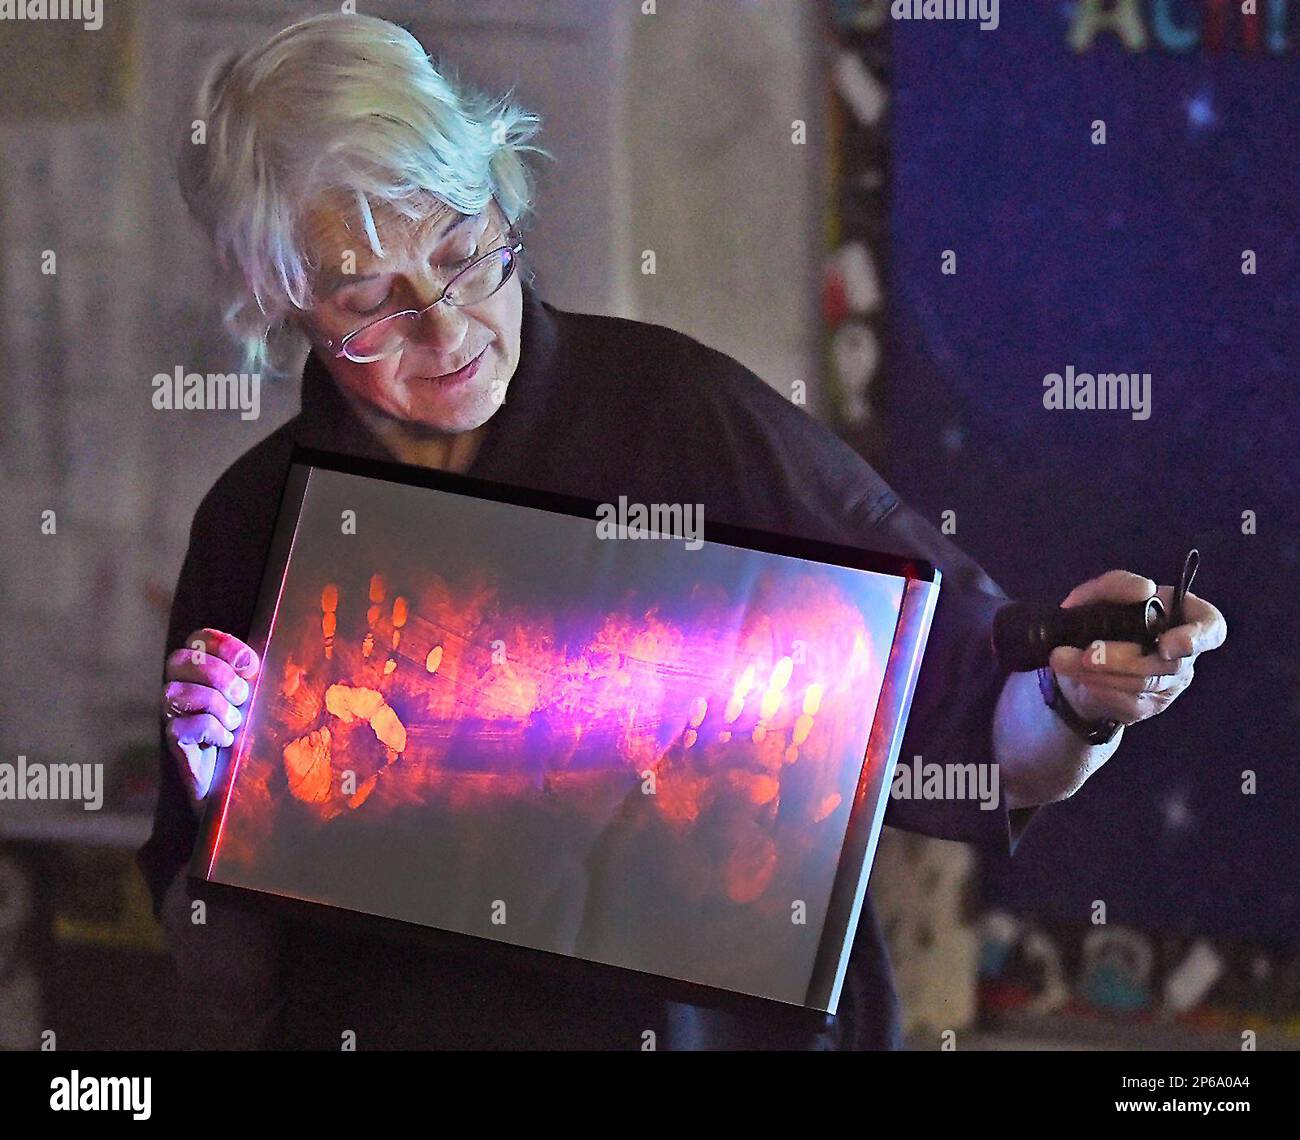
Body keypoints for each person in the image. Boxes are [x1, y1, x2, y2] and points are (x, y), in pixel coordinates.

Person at [138, 12, 1226, 1050]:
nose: (448, 324)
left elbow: (984, 746)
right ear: (281, 309)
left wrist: (1079, 704)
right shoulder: (257, 528)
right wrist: (227, 812)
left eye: (465, 248)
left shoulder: (685, 420)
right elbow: (221, 985)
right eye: (370, 303)